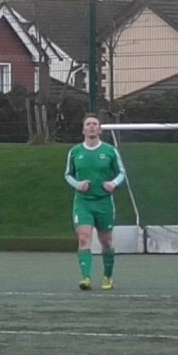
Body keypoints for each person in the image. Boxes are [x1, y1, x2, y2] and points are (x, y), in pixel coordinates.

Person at [64, 114, 127, 291]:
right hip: (83, 203)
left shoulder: (109, 151)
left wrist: (113, 183)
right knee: (84, 238)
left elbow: (121, 173)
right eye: (88, 124)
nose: (91, 127)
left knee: (105, 241)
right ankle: (86, 278)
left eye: (95, 124)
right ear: (83, 130)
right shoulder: (75, 152)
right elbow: (68, 174)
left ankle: (108, 277)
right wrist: (78, 184)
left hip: (104, 203)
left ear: (99, 130)